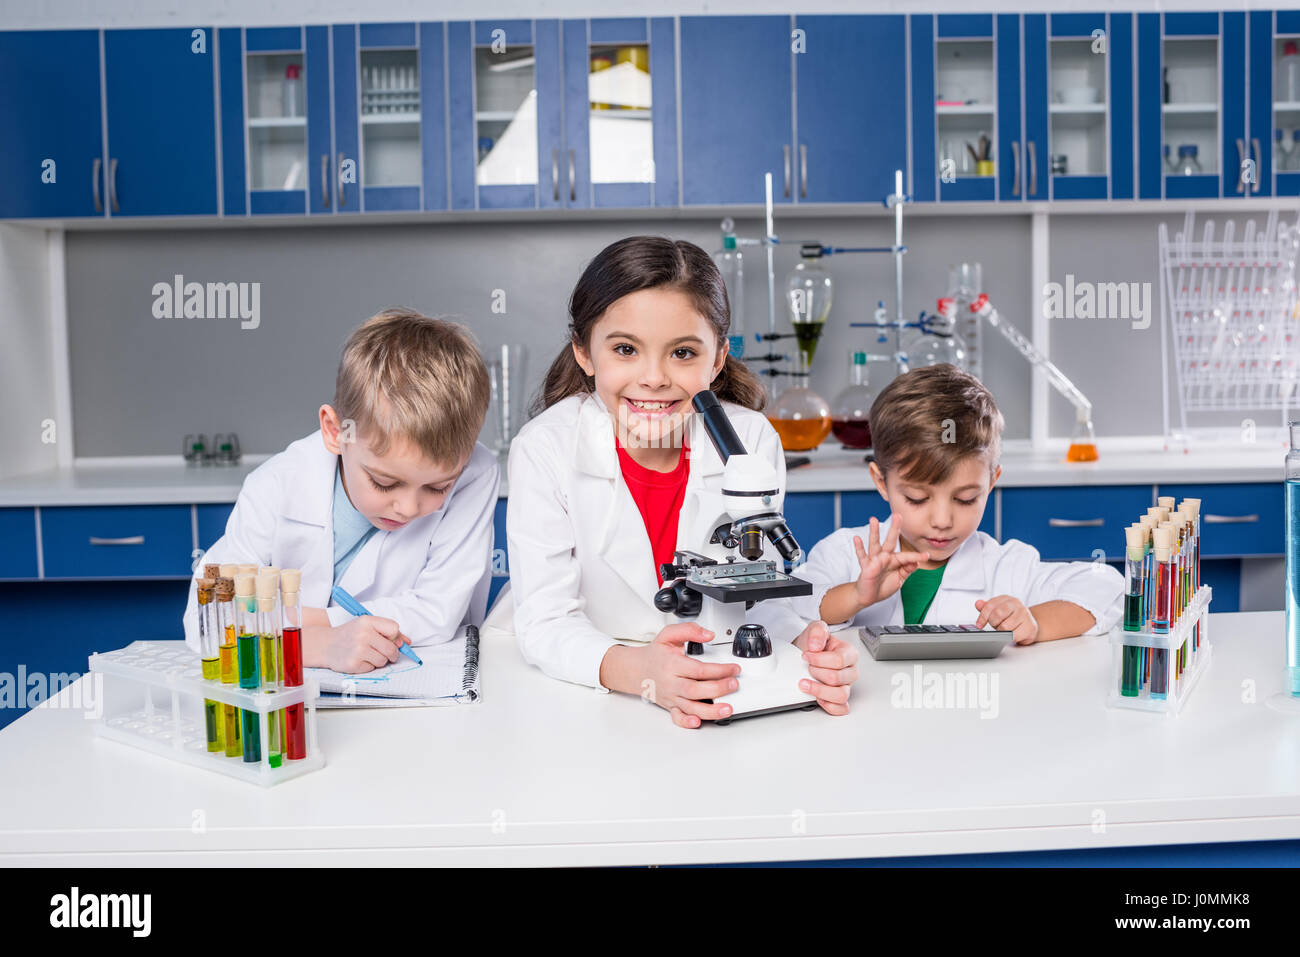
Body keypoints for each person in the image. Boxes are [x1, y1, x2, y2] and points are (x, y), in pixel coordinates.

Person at [496, 236, 859, 728]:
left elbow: (756, 591)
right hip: (588, 695)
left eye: (683, 353)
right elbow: (545, 622)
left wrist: (806, 643)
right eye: (625, 349)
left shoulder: (750, 439)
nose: (653, 377)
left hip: (710, 679)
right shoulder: (545, 450)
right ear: (584, 353)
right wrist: (638, 671)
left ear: (717, 358)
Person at [182, 308, 499, 673]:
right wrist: (313, 646)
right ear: (336, 432)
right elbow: (205, 618)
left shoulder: (475, 474)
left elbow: (437, 612)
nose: (409, 507)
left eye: (438, 487)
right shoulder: (277, 485)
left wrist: (298, 625)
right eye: (384, 482)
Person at [792, 364, 1123, 643]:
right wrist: (856, 596)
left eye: (966, 498)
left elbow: (1108, 587)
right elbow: (783, 607)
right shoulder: (842, 554)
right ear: (882, 482)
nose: (942, 519)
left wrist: (1033, 623)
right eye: (917, 498)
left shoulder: (1006, 567)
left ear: (991, 482)